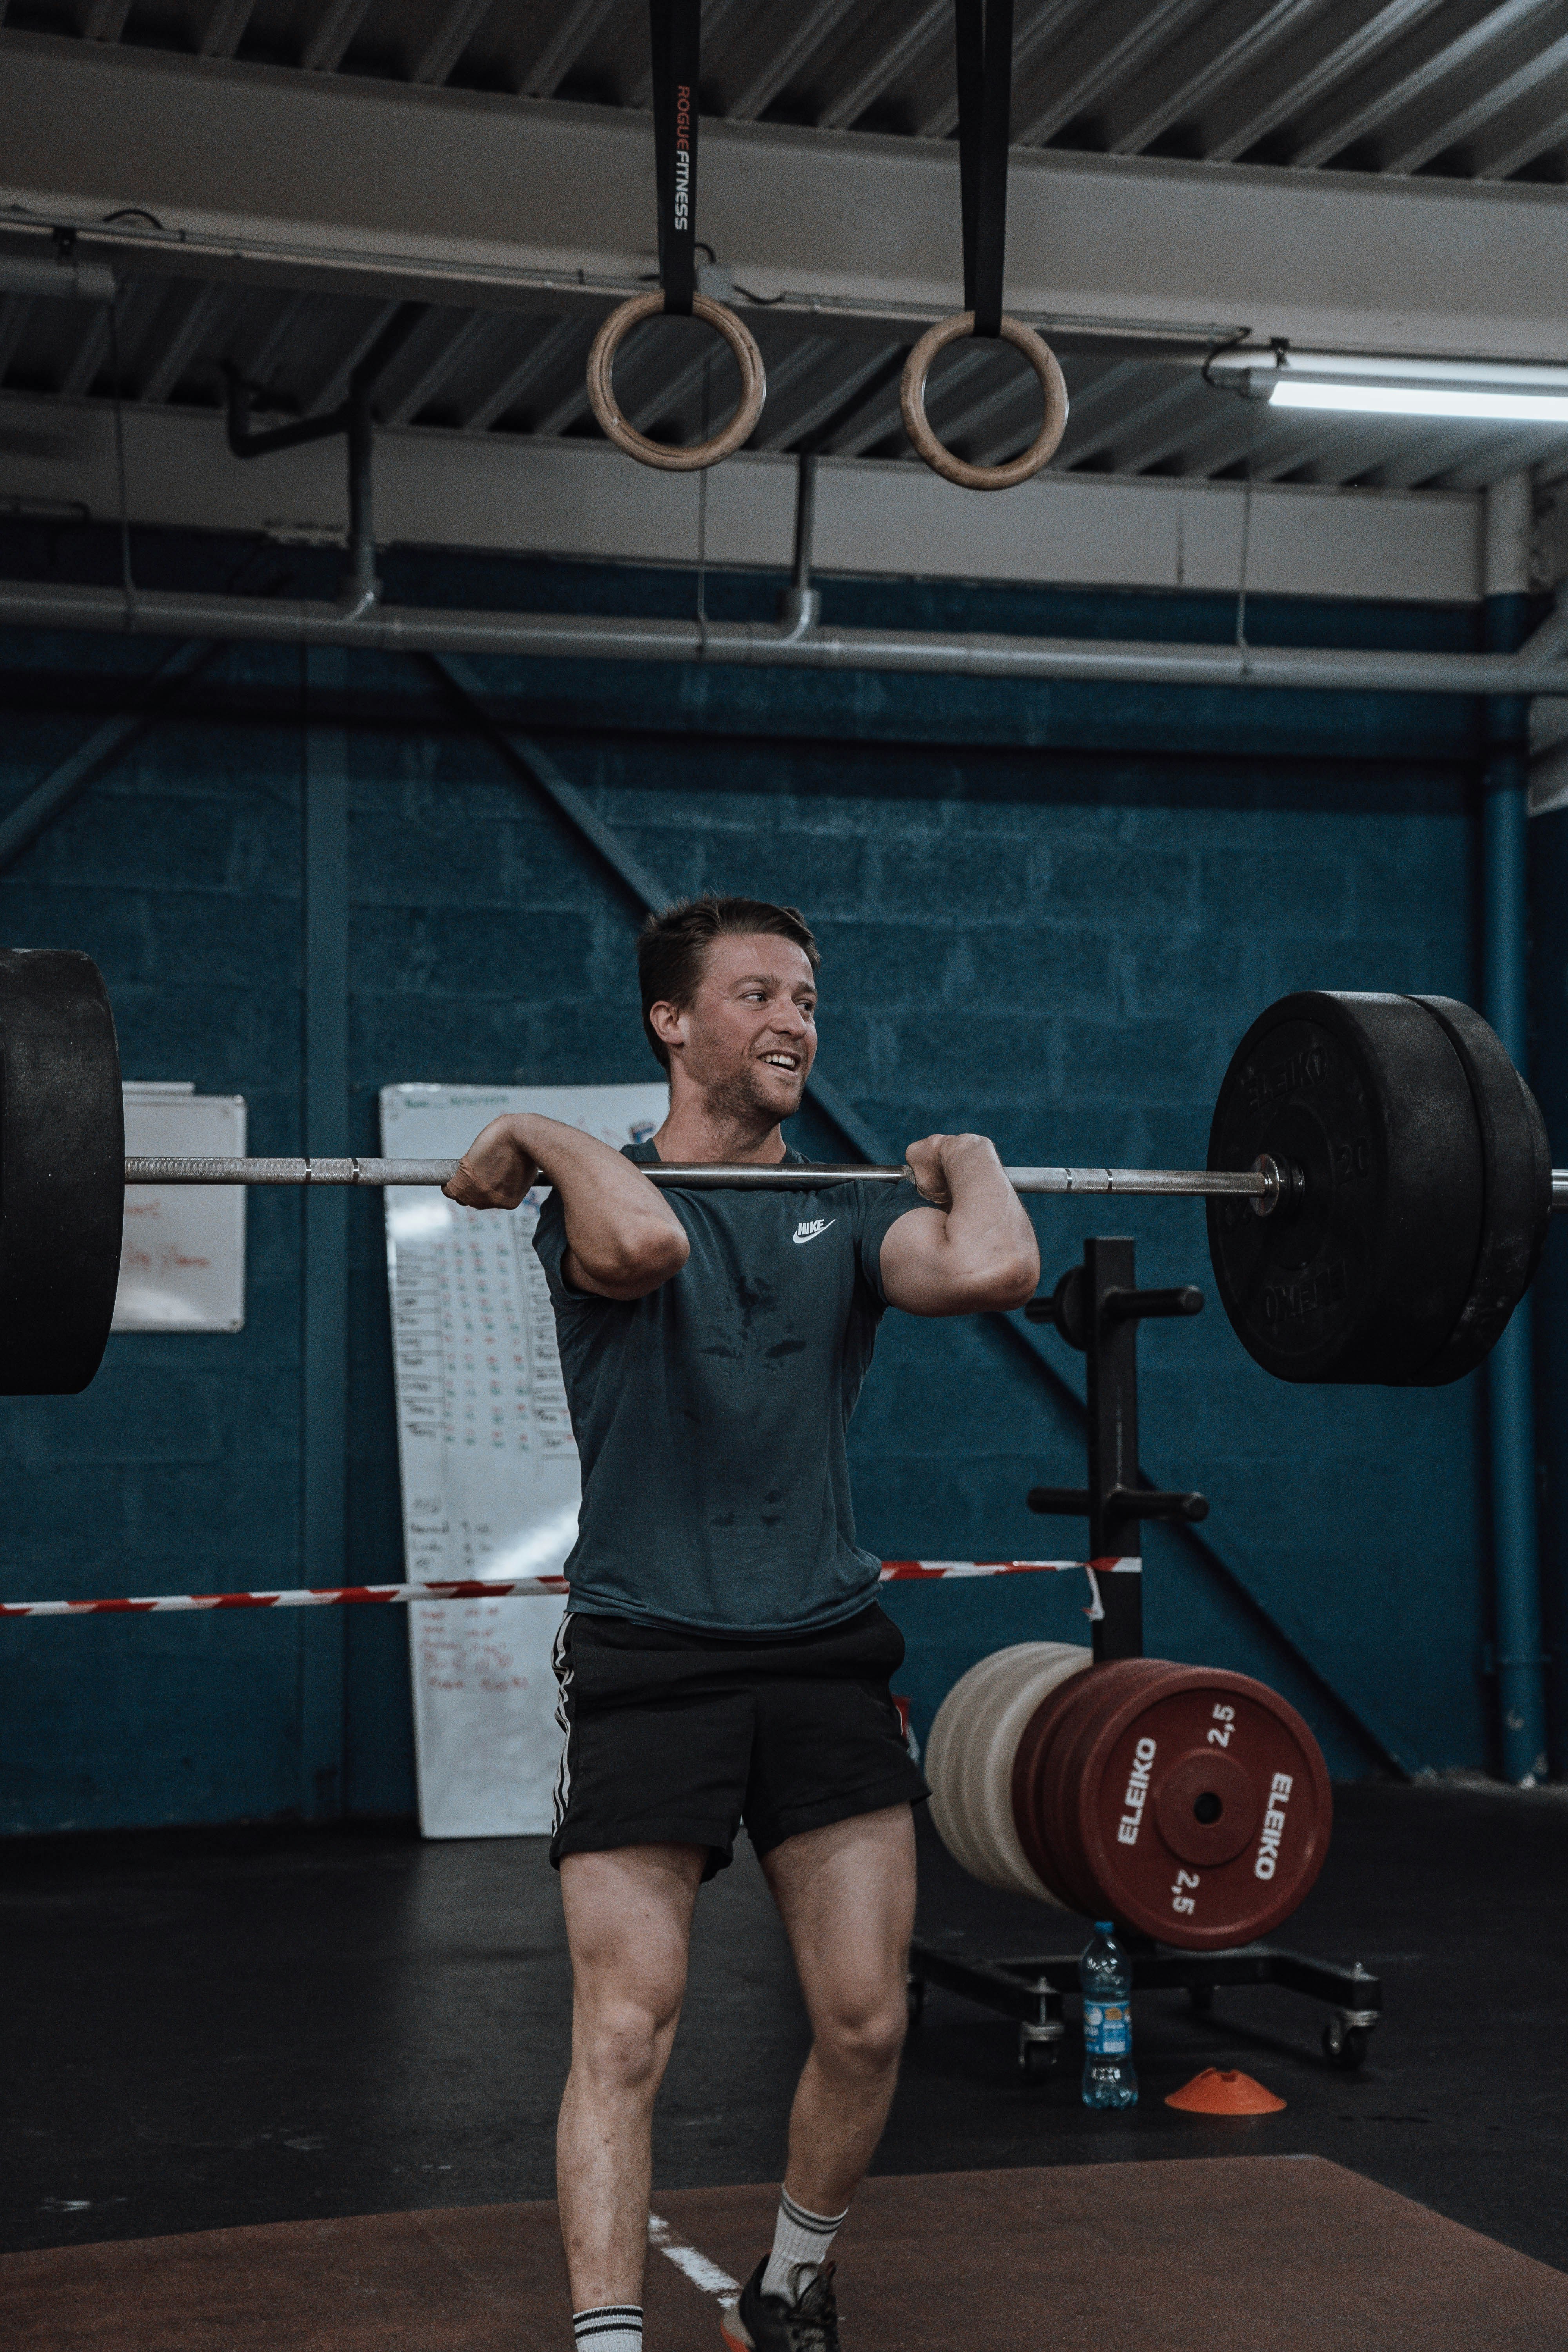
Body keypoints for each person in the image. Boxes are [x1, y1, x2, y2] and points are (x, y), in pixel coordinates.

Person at [445, 895, 1039, 2352]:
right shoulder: (598, 1212)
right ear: (671, 1020)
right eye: (760, 994)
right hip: (653, 1653)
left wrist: (969, 1160)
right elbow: (646, 1244)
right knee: (628, 2031)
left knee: (867, 2023)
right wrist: (535, 1131)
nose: (796, 1021)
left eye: (810, 999)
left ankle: (792, 2280)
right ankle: (609, 2339)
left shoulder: (844, 1216)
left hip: (827, 1650)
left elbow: (995, 1268)